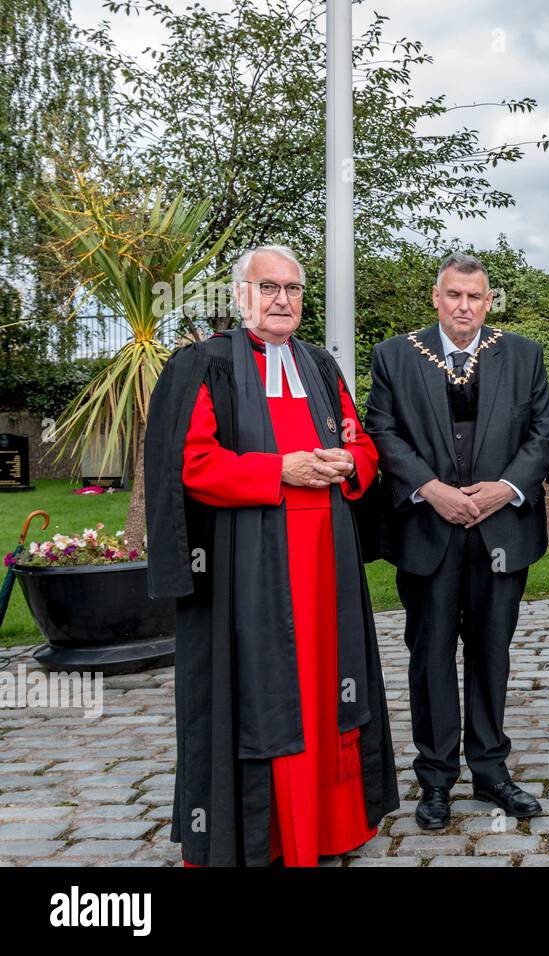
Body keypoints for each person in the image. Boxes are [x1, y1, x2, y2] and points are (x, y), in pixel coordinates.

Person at [144, 244, 399, 866]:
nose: (282, 299)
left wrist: (349, 462)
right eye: (268, 288)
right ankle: (264, 837)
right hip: (248, 563)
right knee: (264, 693)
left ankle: (333, 827)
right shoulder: (202, 364)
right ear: (241, 297)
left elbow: (359, 443)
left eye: (292, 289)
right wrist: (280, 469)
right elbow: (192, 465)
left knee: (329, 689)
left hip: (326, 560)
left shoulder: (320, 365)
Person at [366, 252, 549, 830]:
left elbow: (543, 430)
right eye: (454, 295)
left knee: (490, 653)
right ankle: (435, 778)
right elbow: (383, 430)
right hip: (428, 530)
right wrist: (431, 489)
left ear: (489, 300)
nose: (464, 306)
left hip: (501, 530)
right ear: (436, 297)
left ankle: (492, 770)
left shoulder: (522, 354)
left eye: (475, 297)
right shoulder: (396, 355)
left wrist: (505, 488)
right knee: (429, 658)